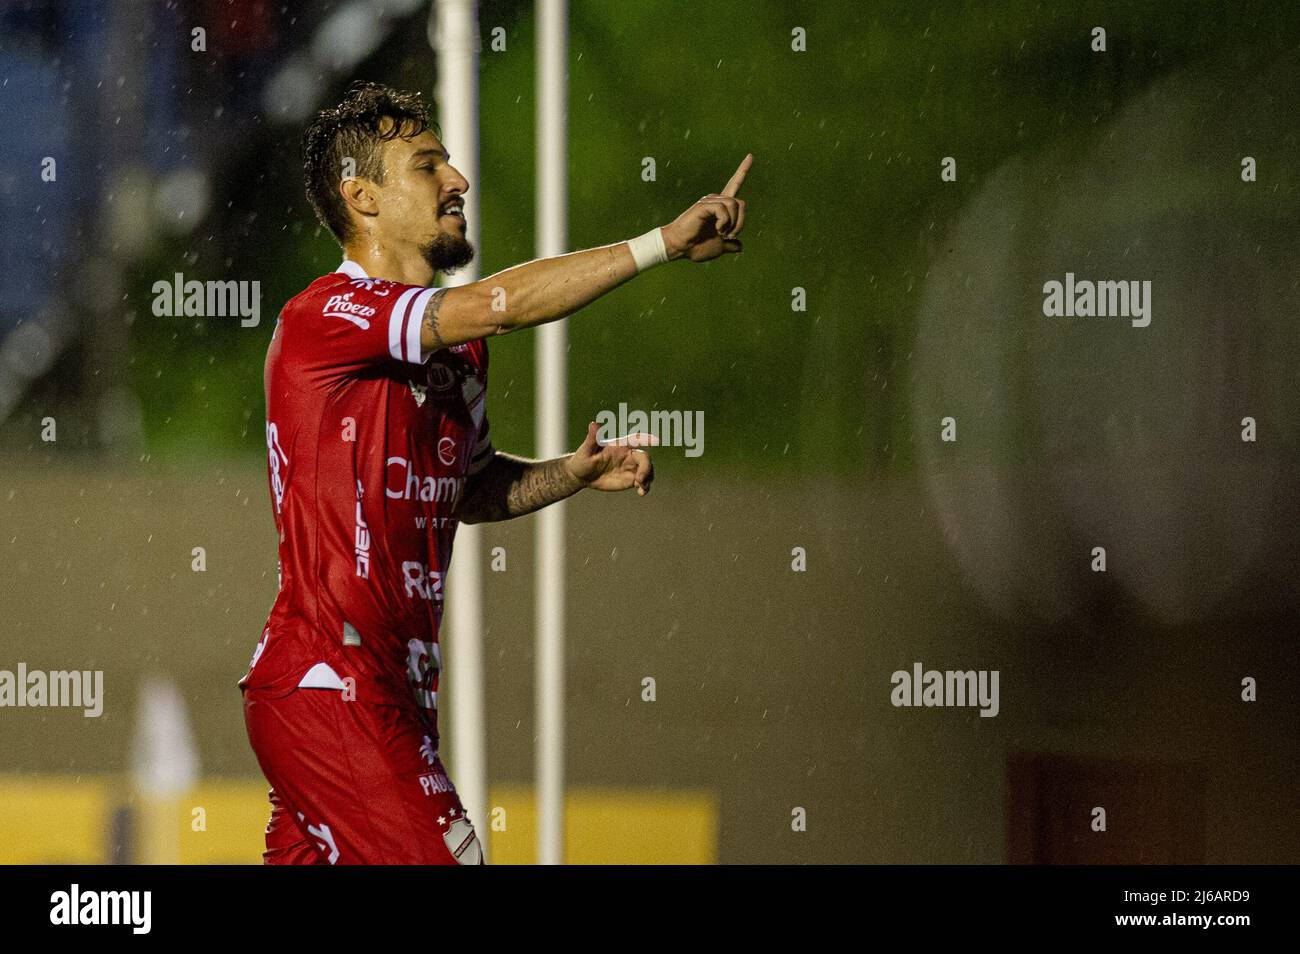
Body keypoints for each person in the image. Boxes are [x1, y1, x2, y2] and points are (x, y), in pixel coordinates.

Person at [240, 80, 752, 864]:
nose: (459, 181)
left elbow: (471, 488)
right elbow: (501, 304)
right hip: (328, 685)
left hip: (393, 698)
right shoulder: (324, 319)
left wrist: (569, 474)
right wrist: (662, 244)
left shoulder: (458, 354)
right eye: (428, 165)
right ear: (363, 198)